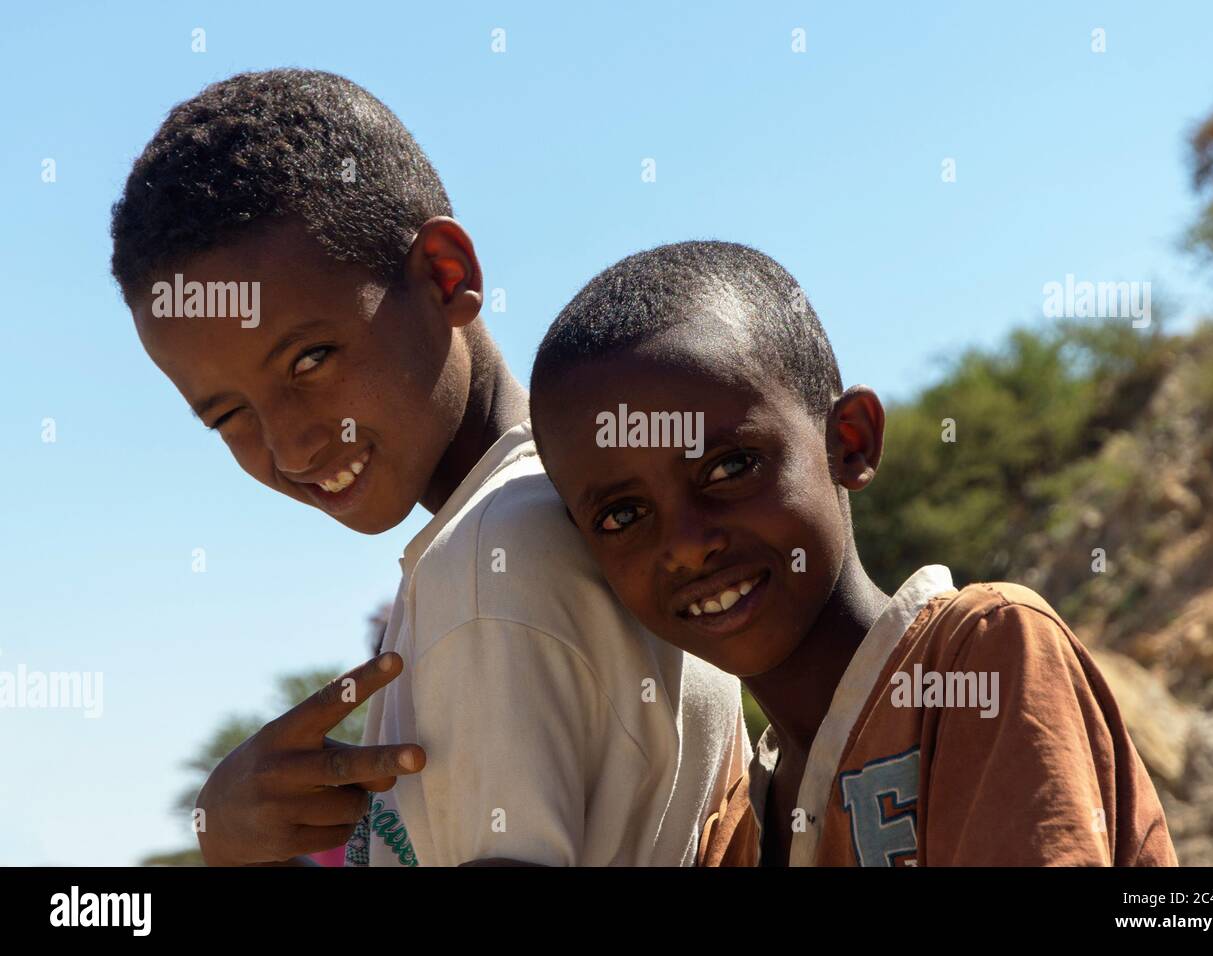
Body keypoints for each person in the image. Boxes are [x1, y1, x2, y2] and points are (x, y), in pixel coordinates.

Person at [112, 71, 746, 866]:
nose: (293, 447)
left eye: (311, 358)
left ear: (446, 275)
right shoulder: (567, 517)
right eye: (228, 414)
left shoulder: (493, 557)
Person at [528, 240, 1179, 866]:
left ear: (851, 441)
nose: (689, 546)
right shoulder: (734, 829)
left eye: (730, 468)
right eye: (623, 515)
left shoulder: (978, 658)